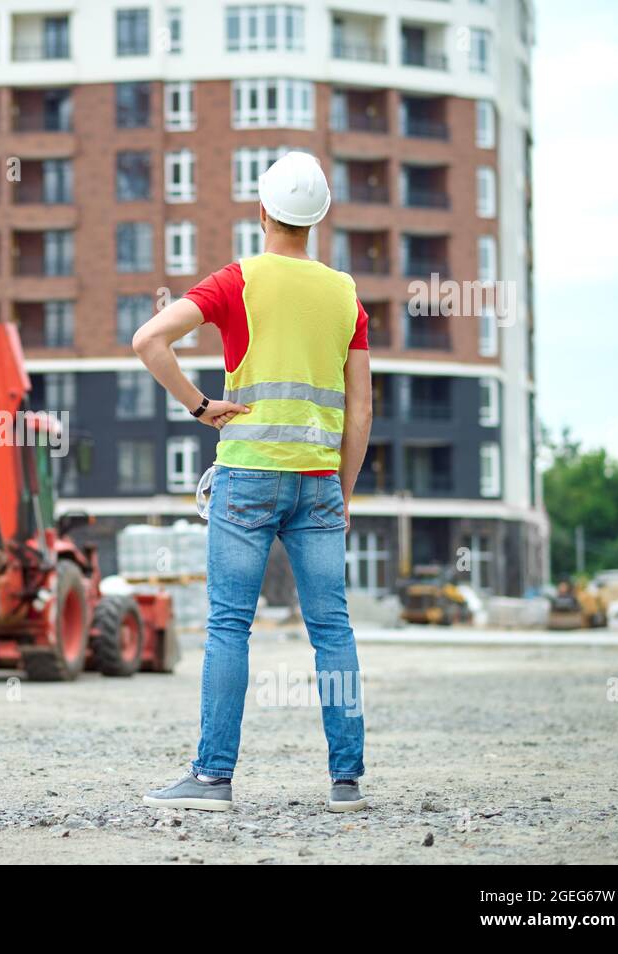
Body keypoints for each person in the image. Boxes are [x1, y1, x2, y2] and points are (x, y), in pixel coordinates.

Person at [130, 151, 373, 813]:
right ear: (318, 219)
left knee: (230, 627)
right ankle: (346, 781)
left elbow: (149, 340)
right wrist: (341, 492)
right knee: (333, 629)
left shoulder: (239, 280)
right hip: (318, 481)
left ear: (262, 212)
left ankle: (211, 779)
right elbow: (362, 409)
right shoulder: (346, 295)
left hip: (247, 480)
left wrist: (200, 406)